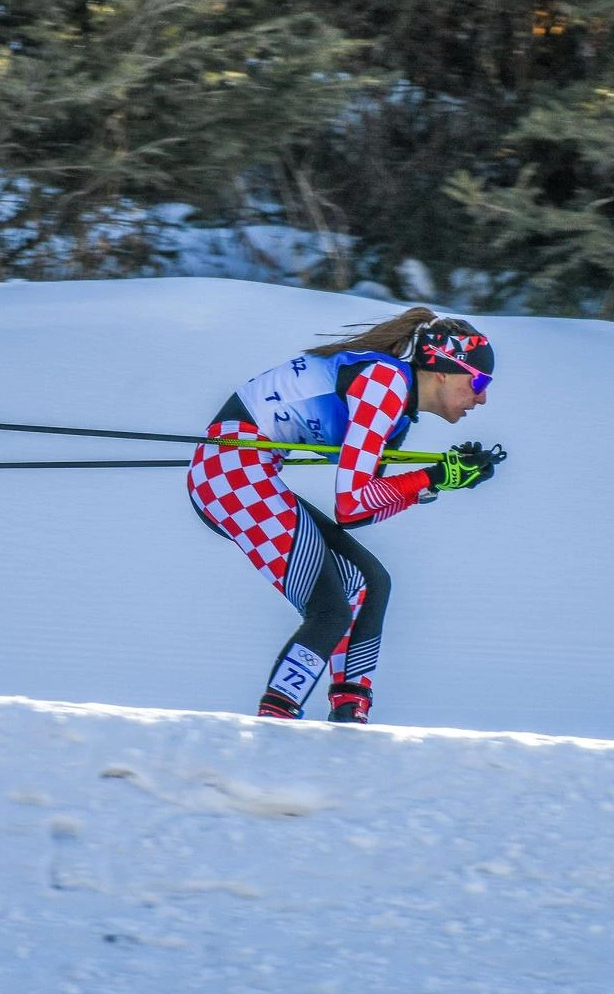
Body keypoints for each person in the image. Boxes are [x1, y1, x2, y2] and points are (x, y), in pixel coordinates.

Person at [187, 306, 505, 723]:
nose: (482, 397)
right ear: (444, 369)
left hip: (242, 470)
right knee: (331, 610)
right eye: (478, 381)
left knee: (370, 584)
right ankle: (276, 720)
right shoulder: (386, 383)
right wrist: (431, 476)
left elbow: (358, 513)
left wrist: (436, 482)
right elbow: (352, 501)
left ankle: (349, 712)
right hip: (230, 468)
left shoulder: (396, 415)